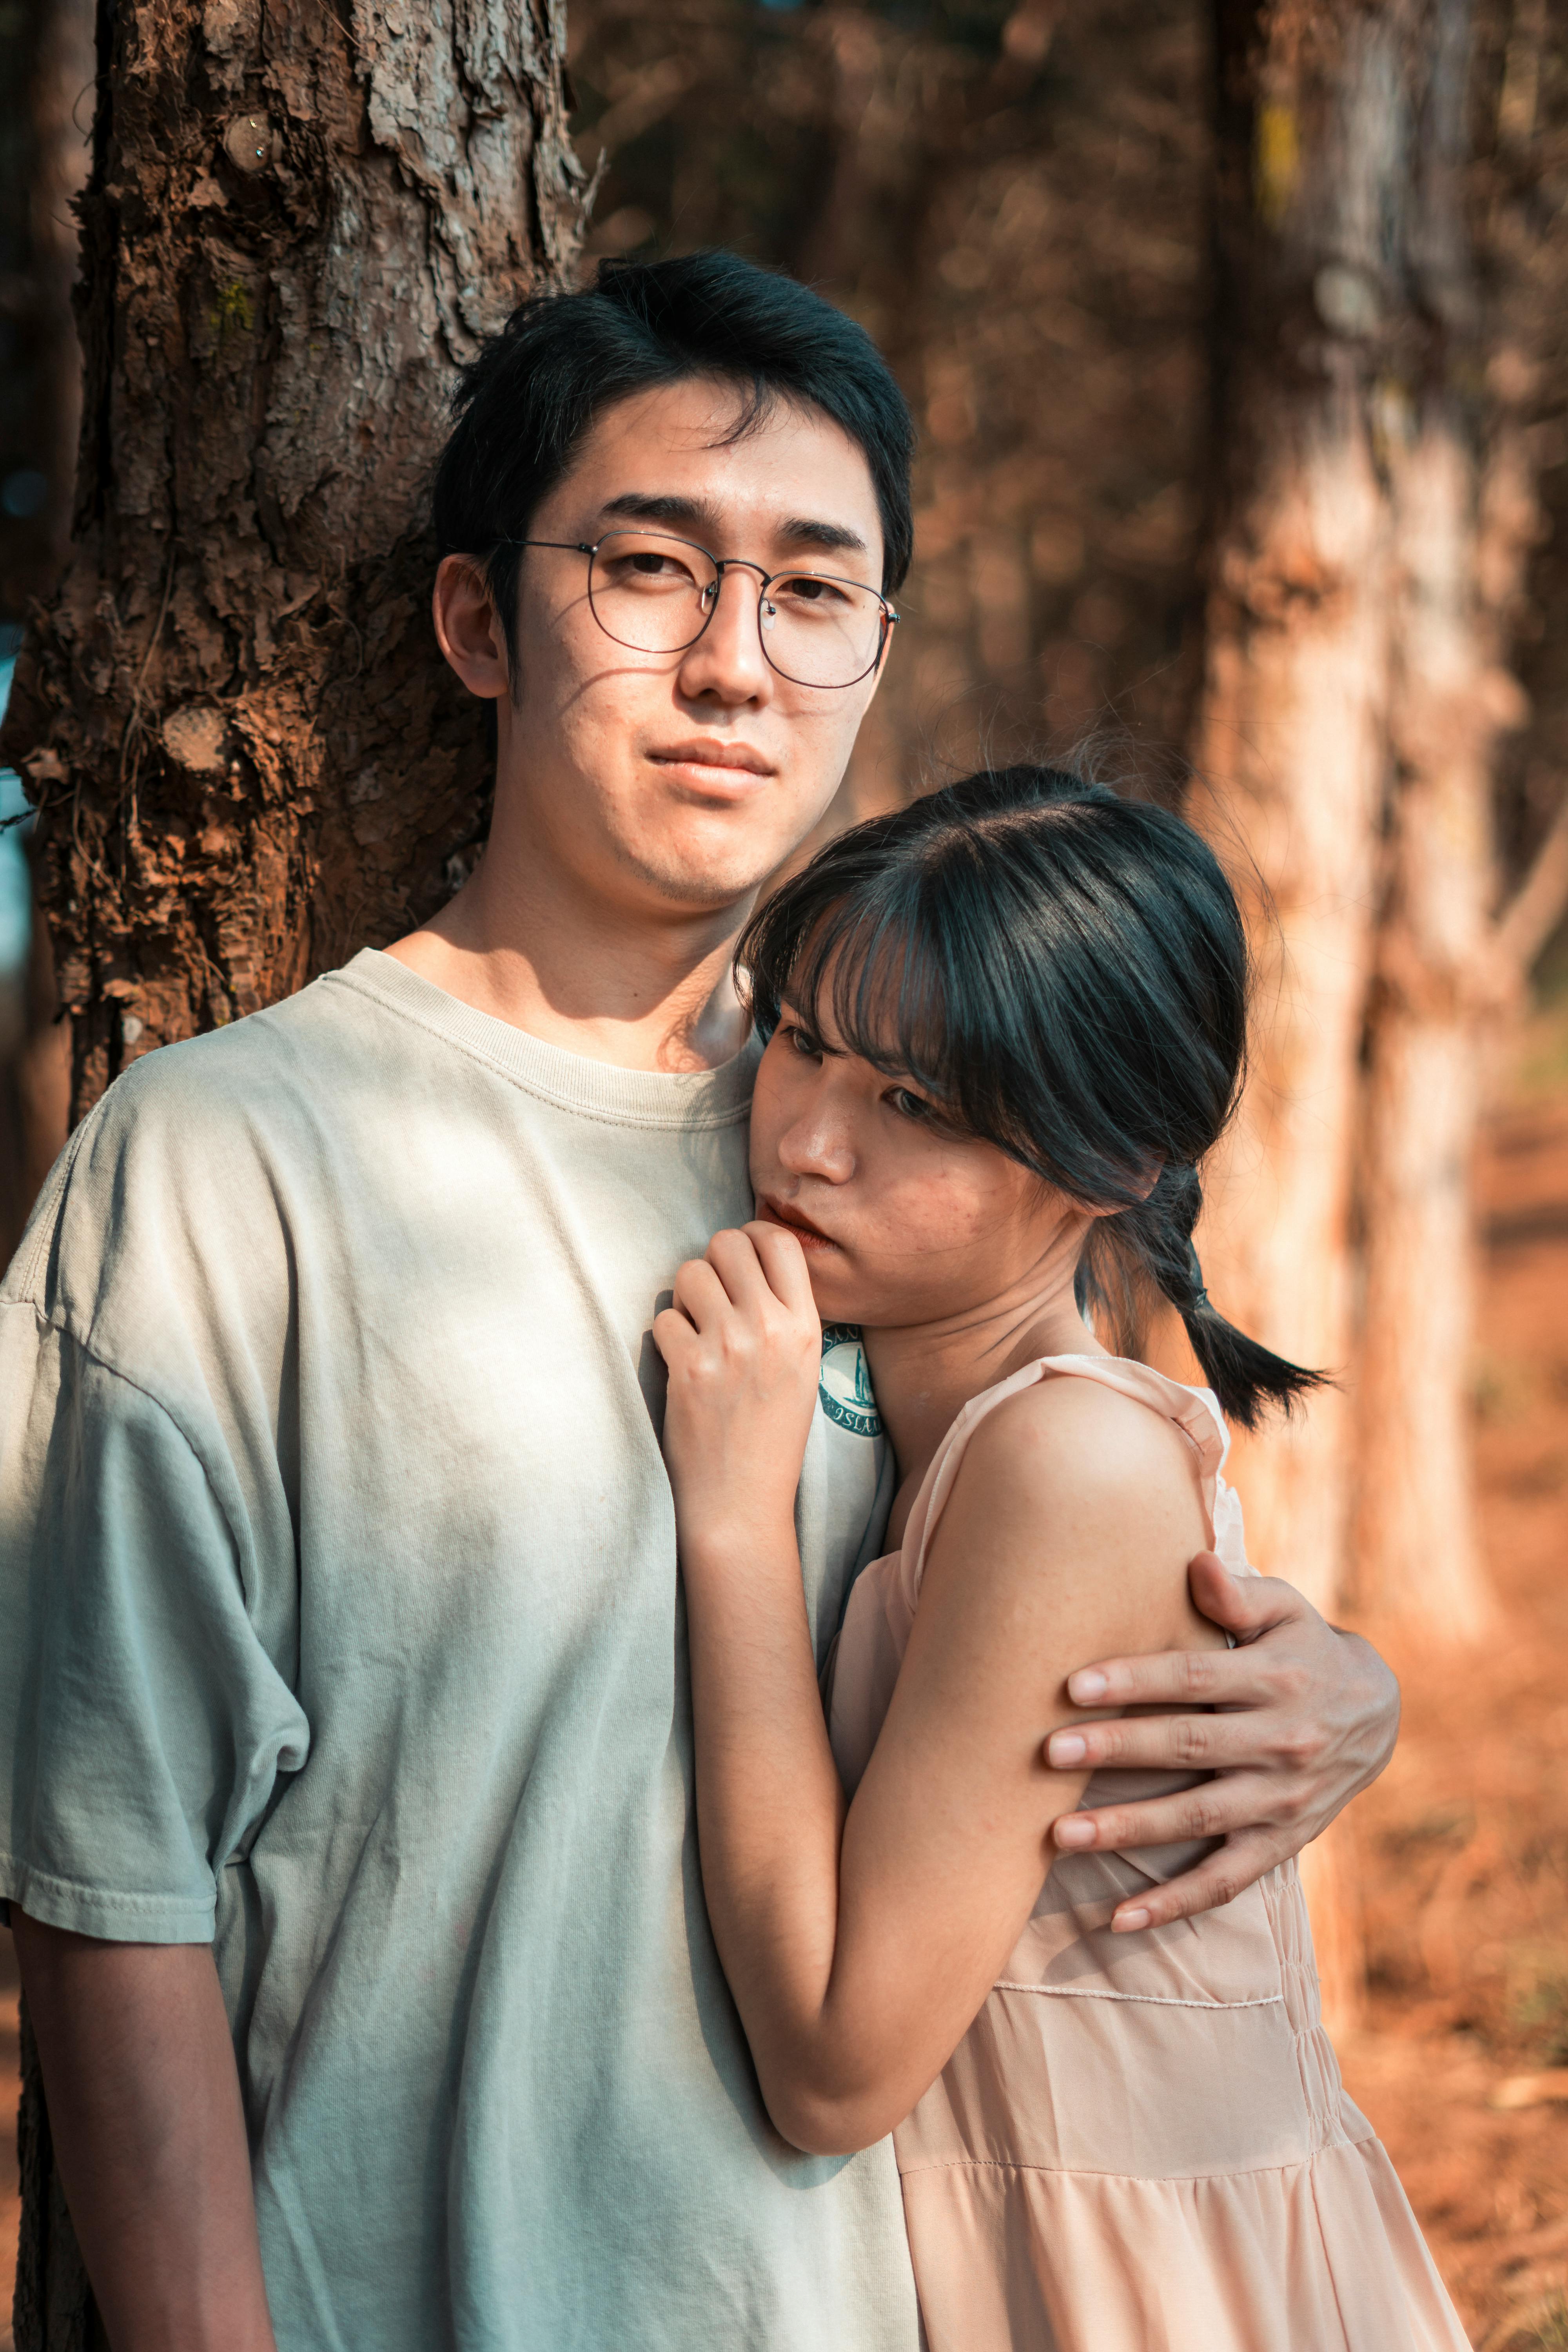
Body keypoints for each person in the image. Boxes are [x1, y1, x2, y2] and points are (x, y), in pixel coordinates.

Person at [0, 255, 1399, 2352]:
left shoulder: (920, 1152)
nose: (736, 665)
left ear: (873, 651)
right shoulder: (230, 1163)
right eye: (647, 572)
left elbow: (1053, 1593)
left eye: (814, 592)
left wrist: (1324, 1691)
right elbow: (107, 1890)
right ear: (481, 621)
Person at [653, 764, 1468, 2352]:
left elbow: (835, 2064)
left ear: (1106, 1165)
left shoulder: (1062, 1461)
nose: (808, 1144)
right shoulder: (960, 1426)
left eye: (917, 1107)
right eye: (801, 1043)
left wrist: (735, 1523)